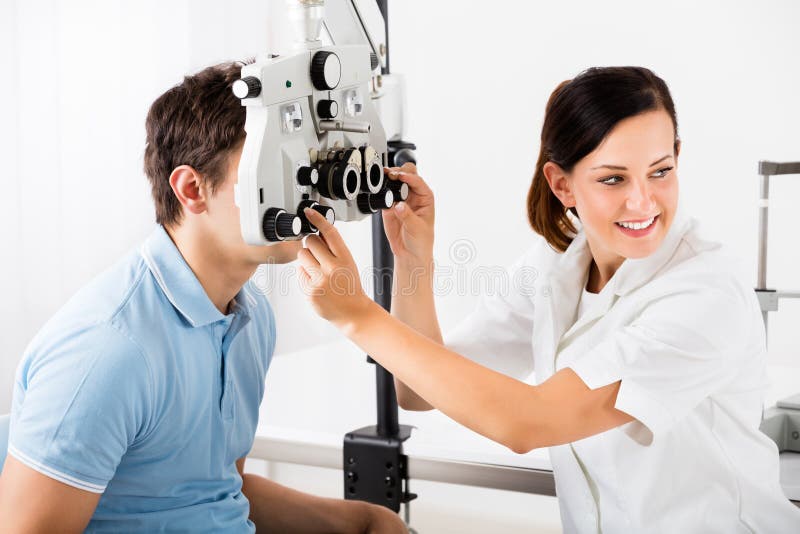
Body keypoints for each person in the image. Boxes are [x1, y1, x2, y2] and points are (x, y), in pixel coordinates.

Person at [296, 66, 800, 532]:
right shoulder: (557, 264)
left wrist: (360, 317)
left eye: (660, 171)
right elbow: (419, 392)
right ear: (562, 184)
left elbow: (527, 423)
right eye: (613, 178)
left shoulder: (704, 292)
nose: (643, 201)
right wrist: (413, 263)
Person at [0, 61, 406, 534]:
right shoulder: (109, 350)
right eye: (275, 171)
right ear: (192, 189)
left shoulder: (249, 317)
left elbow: (216, 492)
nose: (306, 196)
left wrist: (366, 520)